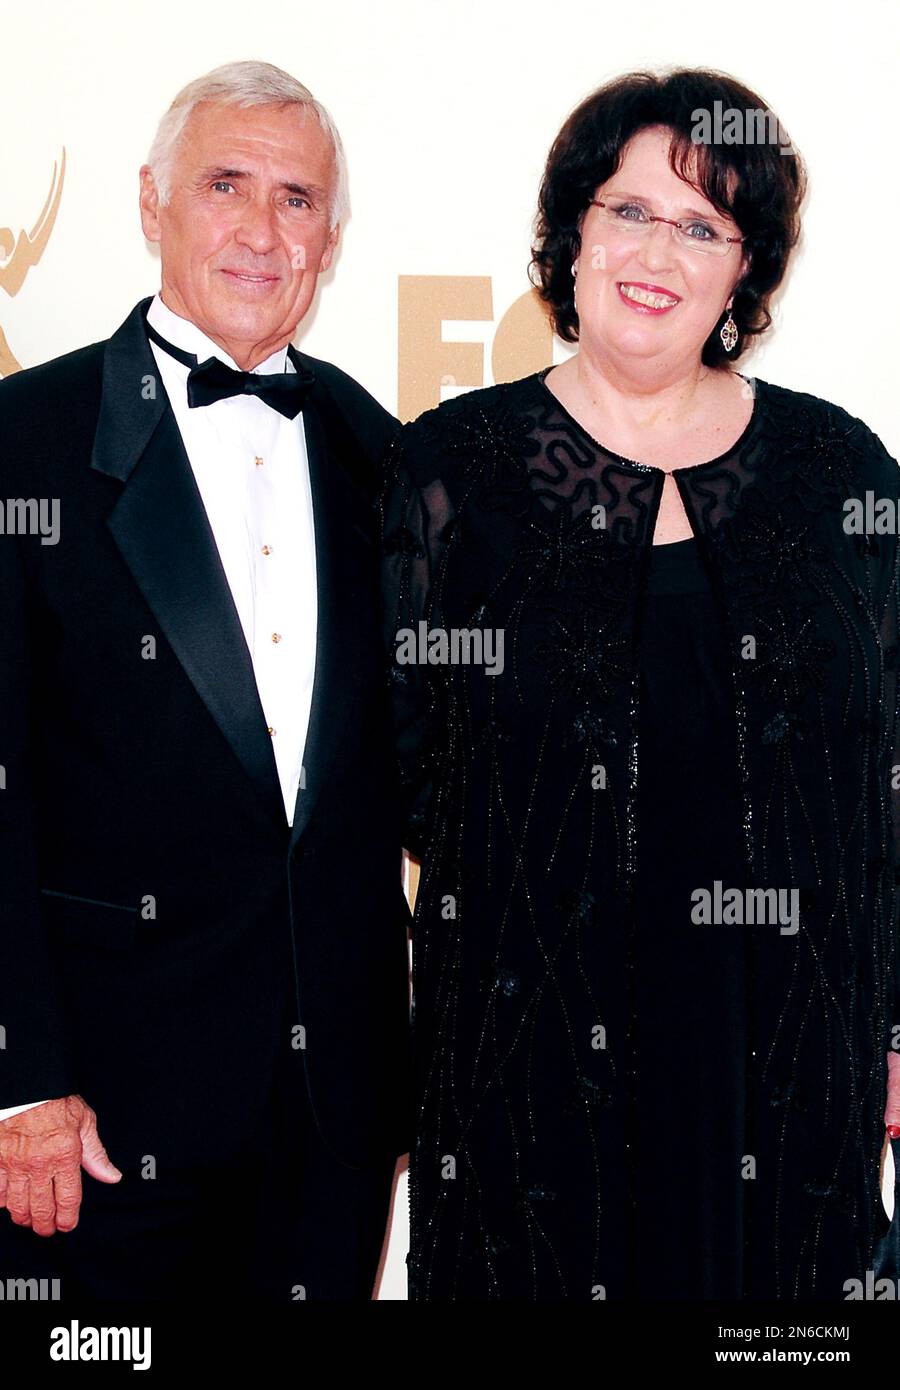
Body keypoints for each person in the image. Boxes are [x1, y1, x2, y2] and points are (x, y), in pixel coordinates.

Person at [381, 66, 900, 1300]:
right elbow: (393, 779)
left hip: (783, 1066)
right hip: (526, 1077)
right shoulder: (451, 476)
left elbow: (884, 776)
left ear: (744, 270)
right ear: (571, 234)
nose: (655, 249)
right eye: (627, 210)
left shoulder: (839, 472)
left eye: (702, 224)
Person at [0, 60, 410, 1302]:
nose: (260, 227)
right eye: (225, 184)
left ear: (329, 240)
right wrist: (23, 1080)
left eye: (297, 199)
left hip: (332, 1118)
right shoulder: (26, 440)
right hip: (101, 1122)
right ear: (149, 202)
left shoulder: (374, 447)